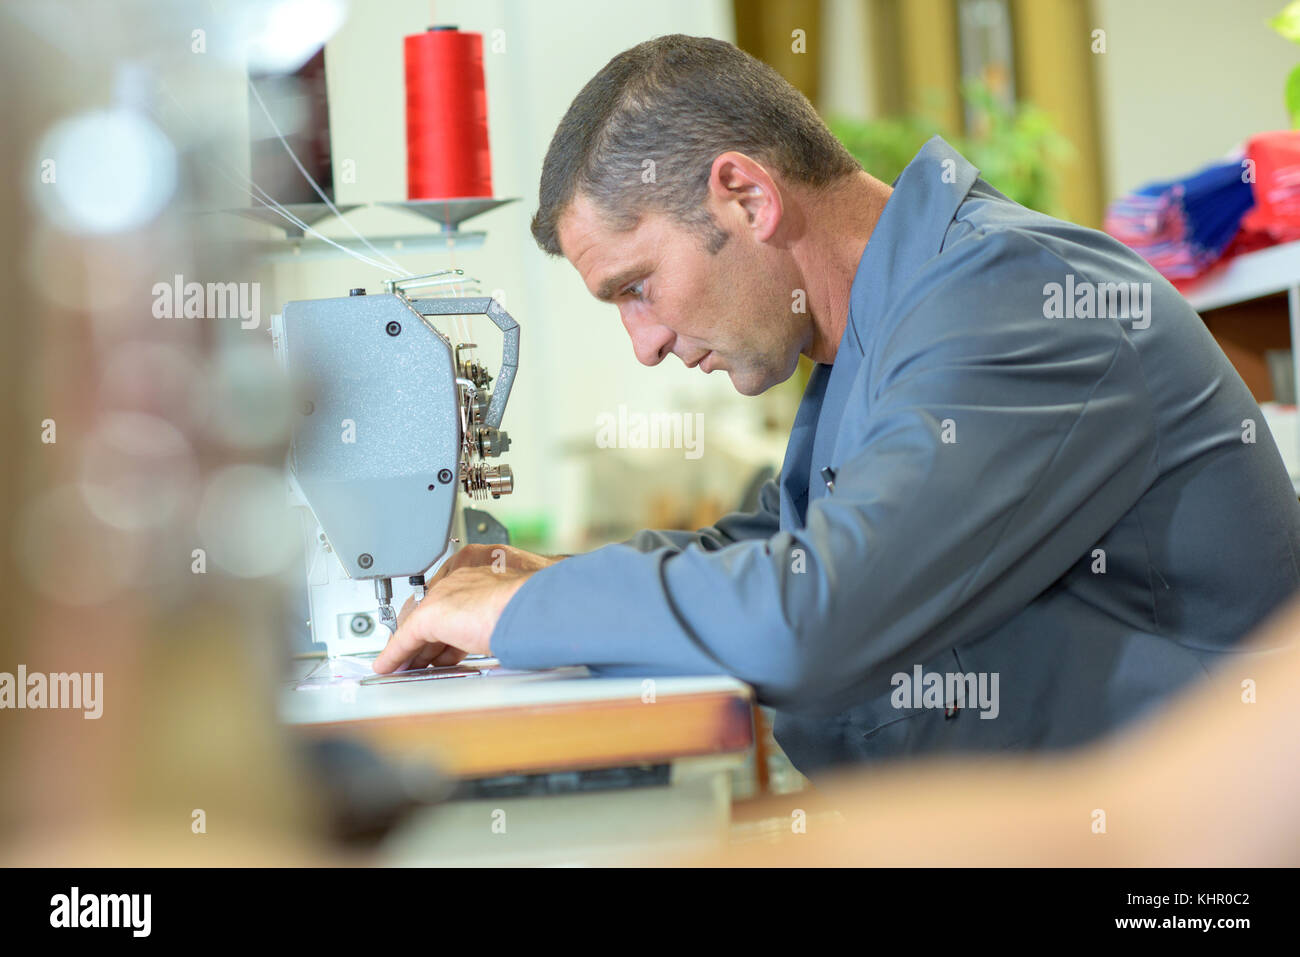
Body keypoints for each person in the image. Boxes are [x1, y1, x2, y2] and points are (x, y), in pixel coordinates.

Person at [374, 35, 1300, 780]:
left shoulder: (1013, 296)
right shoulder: (884, 332)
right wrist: (553, 577)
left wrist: (528, 608)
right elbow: (781, 546)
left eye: (637, 287)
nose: (643, 341)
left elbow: (815, 613)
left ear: (745, 195)